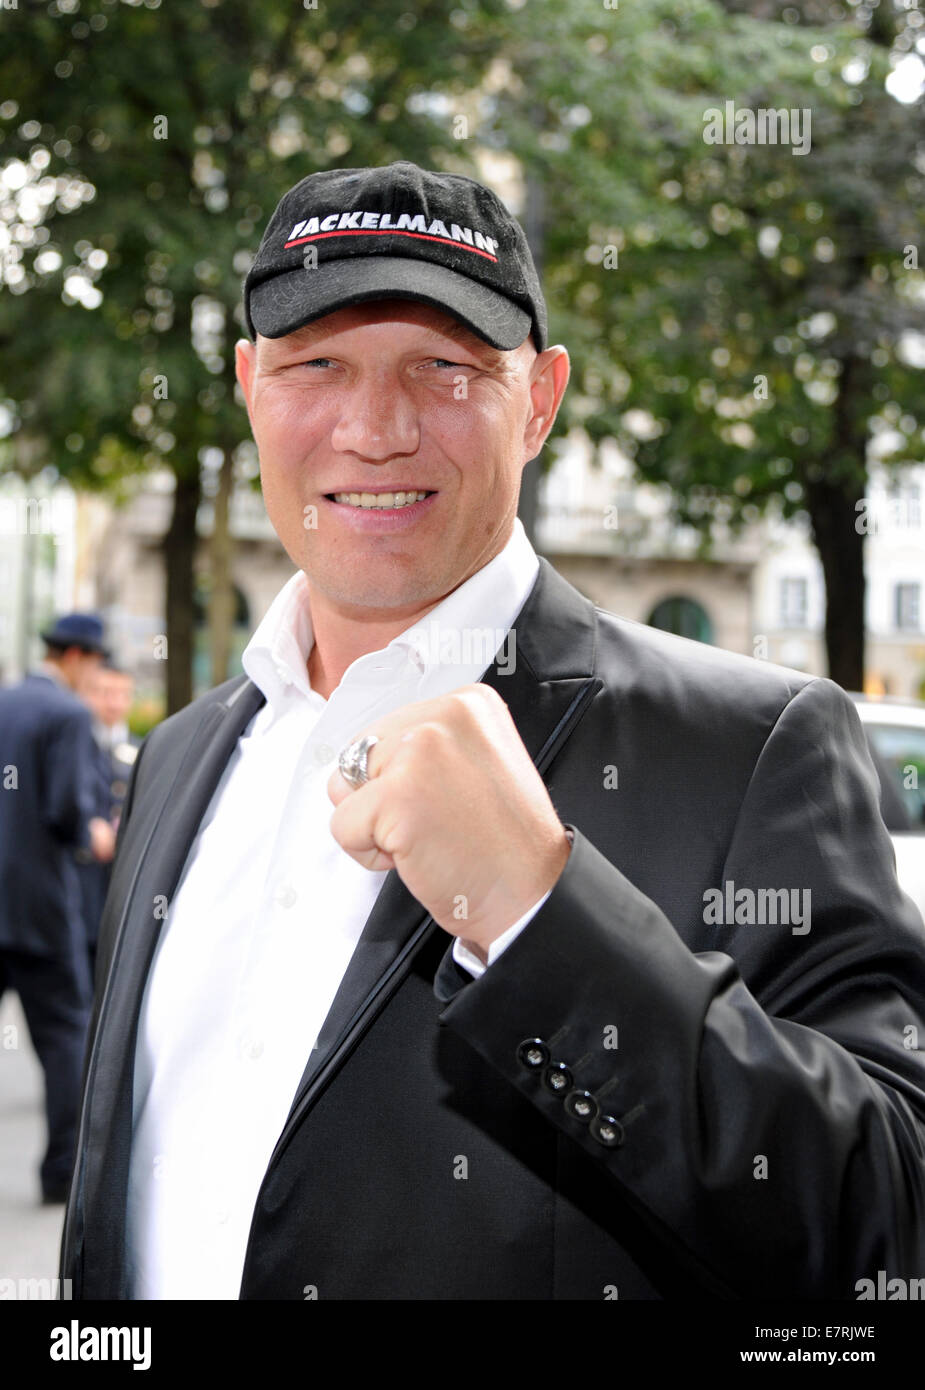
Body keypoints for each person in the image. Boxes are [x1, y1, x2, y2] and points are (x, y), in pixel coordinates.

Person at [62, 161, 925, 1300]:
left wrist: (541, 918)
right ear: (246, 385)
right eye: (315, 364)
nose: (372, 430)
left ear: (541, 399)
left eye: (445, 367)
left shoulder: (752, 745)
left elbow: (885, 1222)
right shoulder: (182, 755)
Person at [0, 613, 116, 1204]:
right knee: (67, 1032)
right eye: (95, 663)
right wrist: (95, 833)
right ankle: (61, 1173)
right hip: (39, 902)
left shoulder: (6, 701)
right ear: (75, 657)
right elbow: (68, 806)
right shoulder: (68, 715)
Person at [75, 662, 138, 982]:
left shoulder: (145, 747)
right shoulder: (72, 745)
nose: (114, 703)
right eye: (104, 693)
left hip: (120, 887)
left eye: (122, 694)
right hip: (78, 886)